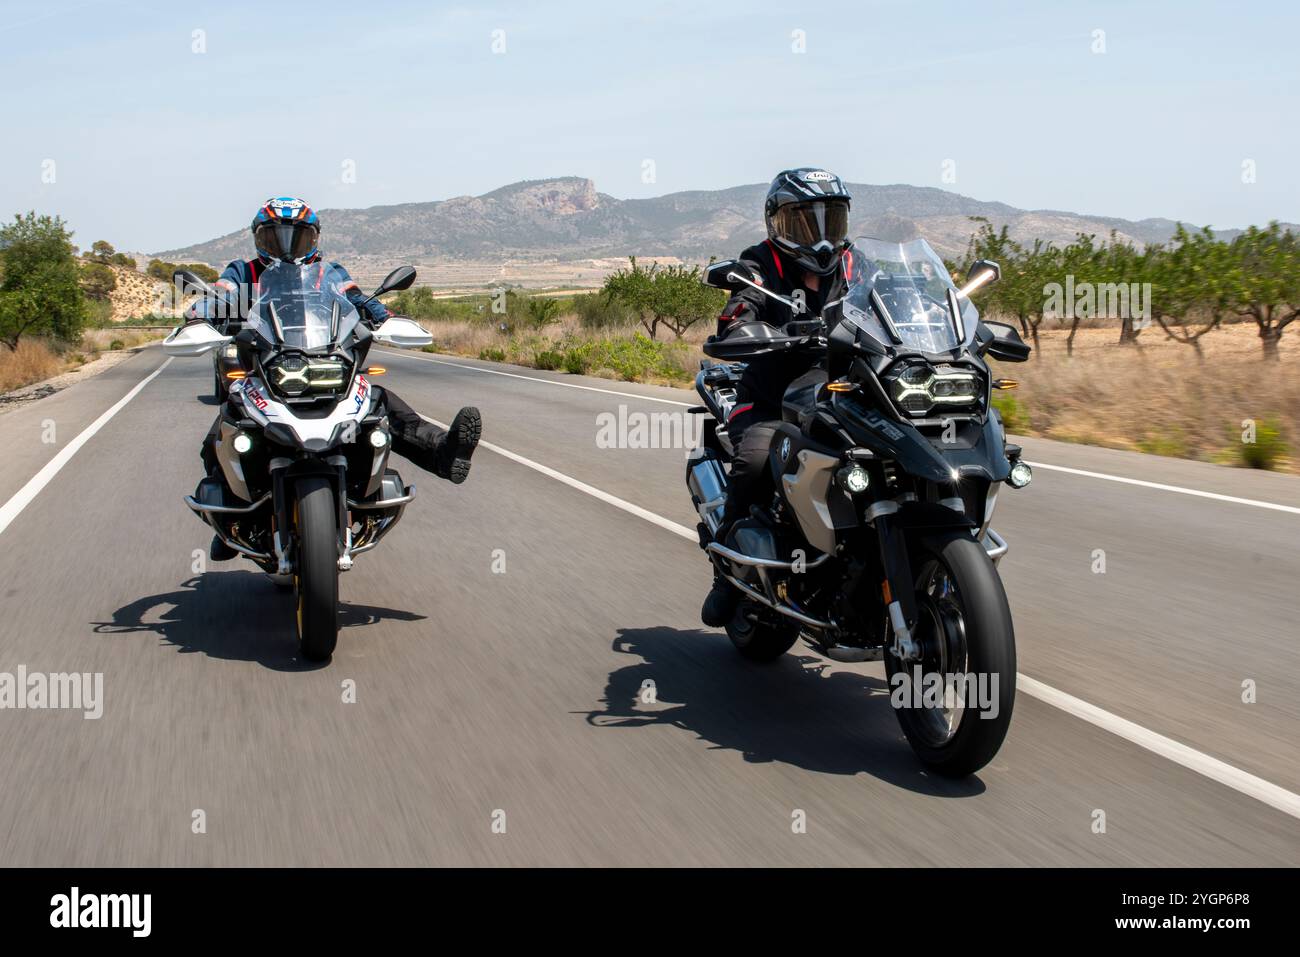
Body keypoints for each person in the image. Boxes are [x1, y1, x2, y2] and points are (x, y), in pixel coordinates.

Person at [192, 197, 481, 561]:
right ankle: (229, 519)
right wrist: (199, 316)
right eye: (274, 237)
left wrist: (385, 318)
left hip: (327, 364)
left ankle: (443, 452)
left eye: (295, 237)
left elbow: (359, 300)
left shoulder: (329, 273)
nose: (285, 246)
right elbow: (218, 297)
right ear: (258, 239)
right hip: (266, 370)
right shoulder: (243, 272)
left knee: (378, 404)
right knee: (223, 429)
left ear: (312, 238)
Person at [700, 169, 853, 627]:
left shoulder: (856, 265)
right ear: (778, 223)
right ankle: (727, 568)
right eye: (805, 221)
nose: (821, 235)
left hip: (845, 390)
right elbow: (738, 309)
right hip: (771, 394)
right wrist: (746, 326)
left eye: (831, 221)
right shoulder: (758, 264)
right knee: (757, 456)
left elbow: (901, 302)